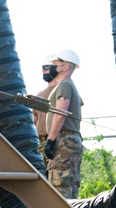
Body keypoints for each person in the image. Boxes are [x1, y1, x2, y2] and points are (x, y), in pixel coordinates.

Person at [42, 50, 84, 199]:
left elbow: (60, 113)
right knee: (70, 187)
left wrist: (51, 140)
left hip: (64, 141)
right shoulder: (69, 85)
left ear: (65, 67)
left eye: (55, 64)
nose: (52, 67)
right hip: (71, 139)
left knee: (60, 188)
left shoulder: (64, 85)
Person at [33, 54, 61, 167]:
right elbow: (34, 121)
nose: (44, 71)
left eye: (47, 68)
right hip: (41, 143)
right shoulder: (38, 95)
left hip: (58, 140)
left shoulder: (64, 90)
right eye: (43, 68)